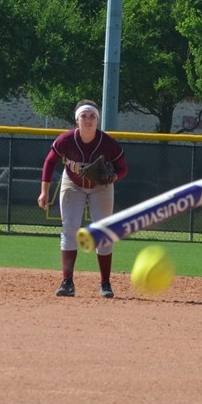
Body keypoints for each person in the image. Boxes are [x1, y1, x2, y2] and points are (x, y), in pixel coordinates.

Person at [39, 100, 127, 298]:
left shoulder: (108, 143)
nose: (88, 120)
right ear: (77, 120)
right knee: (70, 229)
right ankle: (67, 282)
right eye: (84, 116)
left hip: (100, 188)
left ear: (98, 120)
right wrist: (44, 192)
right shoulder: (67, 139)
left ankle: (105, 283)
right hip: (72, 183)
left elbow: (123, 168)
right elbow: (50, 161)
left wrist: (113, 177)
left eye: (92, 116)